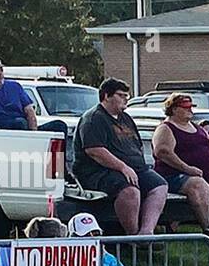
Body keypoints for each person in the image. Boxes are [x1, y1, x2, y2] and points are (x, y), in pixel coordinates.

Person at [71, 78, 168, 236]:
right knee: (130, 191)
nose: (125, 99)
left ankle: (146, 232)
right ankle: (133, 235)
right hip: (99, 172)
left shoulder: (126, 119)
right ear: (107, 96)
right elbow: (95, 150)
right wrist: (123, 167)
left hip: (135, 169)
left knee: (159, 186)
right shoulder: (93, 118)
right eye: (121, 95)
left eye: (127, 96)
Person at [150, 93, 209, 243]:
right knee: (200, 186)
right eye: (186, 108)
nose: (191, 110)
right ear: (175, 109)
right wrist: (187, 168)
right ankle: (207, 228)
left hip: (207, 174)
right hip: (176, 176)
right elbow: (163, 152)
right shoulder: (166, 128)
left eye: (191, 107)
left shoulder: (197, 128)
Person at [0, 56, 67, 135]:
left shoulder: (15, 86)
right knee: (19, 122)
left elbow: (29, 110)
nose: (0, 74)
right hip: (0, 131)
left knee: (59, 125)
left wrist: (34, 134)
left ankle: (60, 163)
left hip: (26, 130)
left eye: (1, 70)